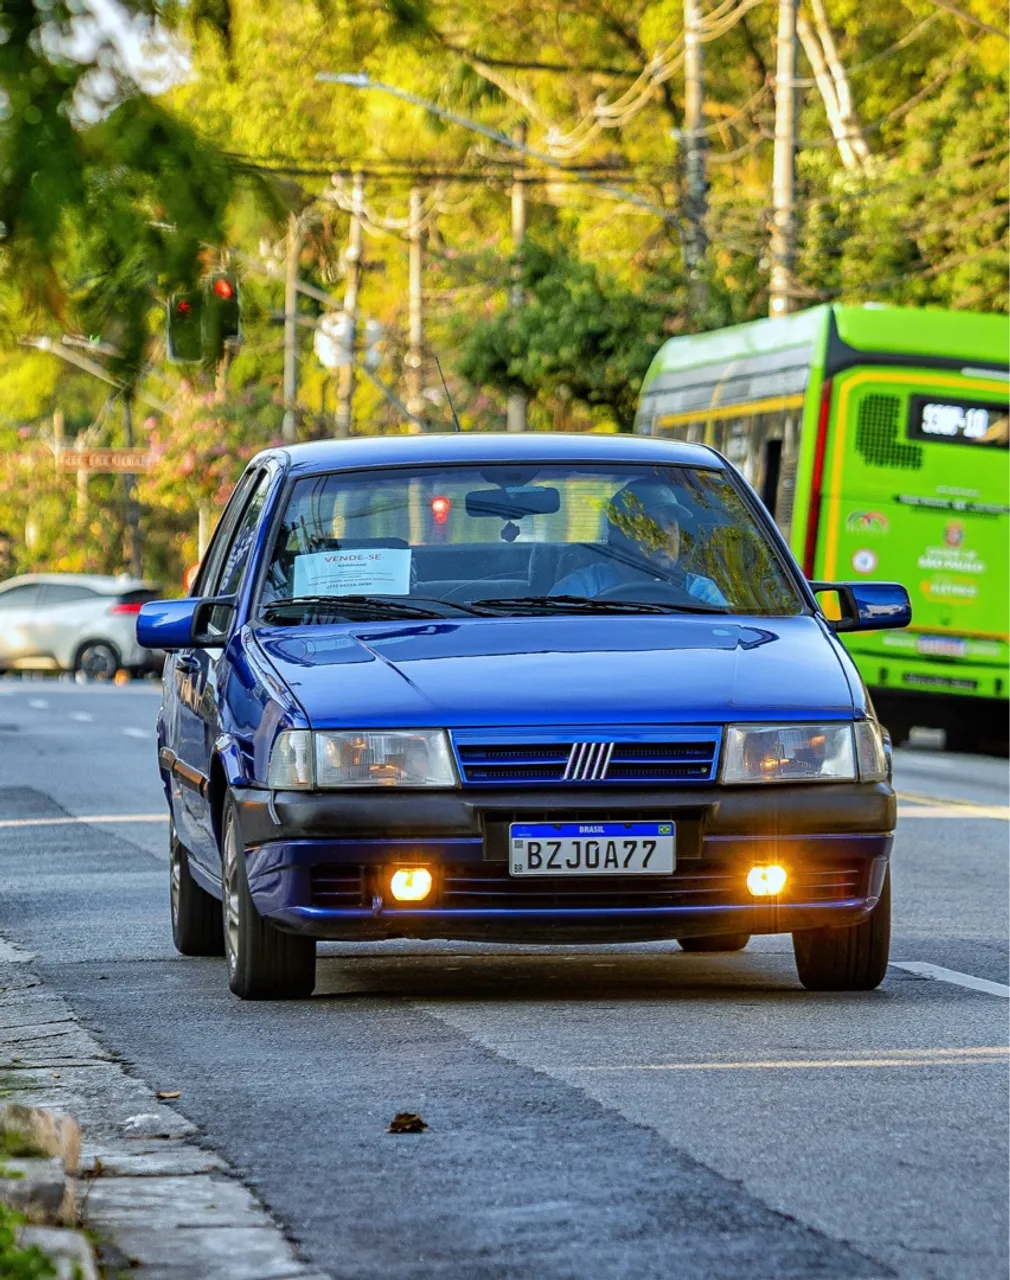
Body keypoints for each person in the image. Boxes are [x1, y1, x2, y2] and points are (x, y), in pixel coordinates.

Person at [551, 480, 727, 606]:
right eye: (649, 524)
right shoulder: (582, 590)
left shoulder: (700, 592)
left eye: (671, 524)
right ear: (617, 539)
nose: (665, 534)